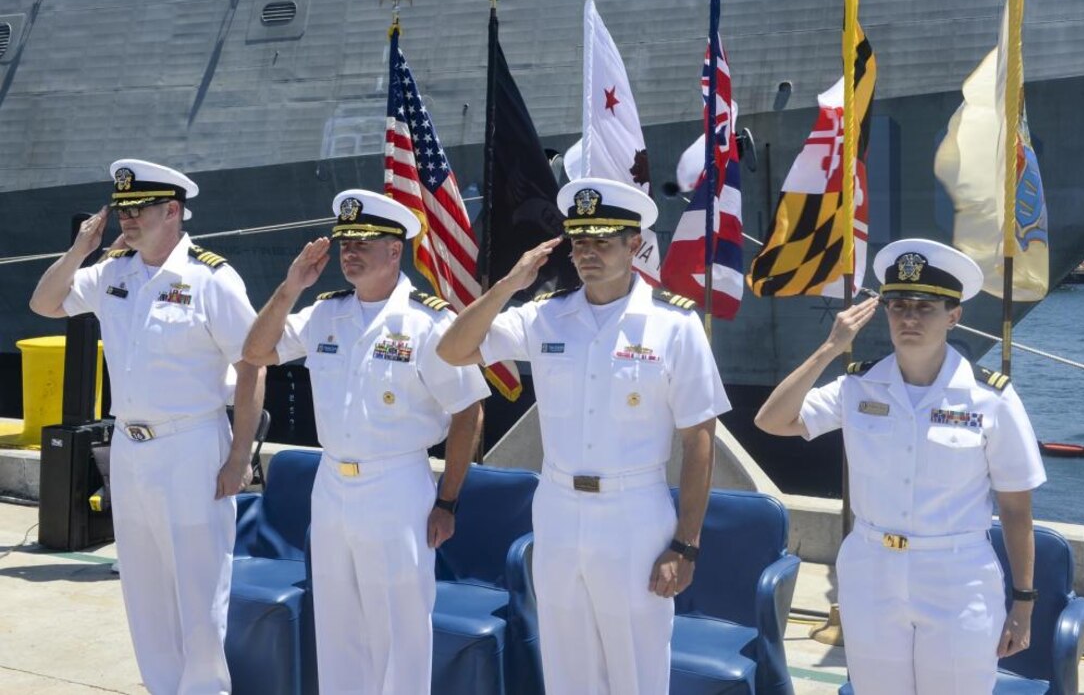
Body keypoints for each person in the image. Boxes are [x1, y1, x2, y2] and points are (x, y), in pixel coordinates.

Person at [436, 177, 730, 694]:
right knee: (567, 665)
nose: (587, 253)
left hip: (634, 514)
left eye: (602, 241)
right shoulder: (547, 317)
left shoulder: (673, 326)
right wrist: (508, 285)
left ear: (633, 245)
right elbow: (454, 350)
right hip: (557, 509)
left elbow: (699, 438)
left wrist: (687, 543)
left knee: (635, 669)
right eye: (579, 241)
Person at [754, 238, 1046, 695]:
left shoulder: (990, 398)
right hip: (872, 570)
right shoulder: (858, 386)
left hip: (957, 574)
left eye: (925, 307)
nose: (909, 318)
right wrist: (831, 348)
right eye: (898, 305)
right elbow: (772, 421)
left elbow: (1015, 508)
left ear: (954, 315)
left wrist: (1024, 602)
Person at [29, 159, 265, 695]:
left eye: (139, 210)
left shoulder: (211, 277)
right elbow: (43, 303)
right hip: (131, 448)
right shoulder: (115, 272)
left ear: (173, 211)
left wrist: (238, 458)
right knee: (144, 586)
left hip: (193, 446)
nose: (127, 220)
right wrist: (79, 251)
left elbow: (254, 363)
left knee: (199, 589)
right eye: (123, 209)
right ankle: (163, 687)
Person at [241, 189, 488, 694]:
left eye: (364, 242)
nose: (349, 251)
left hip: (397, 486)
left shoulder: (427, 321)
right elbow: (256, 350)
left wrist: (448, 500)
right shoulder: (326, 313)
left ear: (394, 251)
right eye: (345, 241)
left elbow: (468, 410)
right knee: (337, 623)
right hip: (331, 484)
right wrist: (290, 287)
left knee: (399, 628)